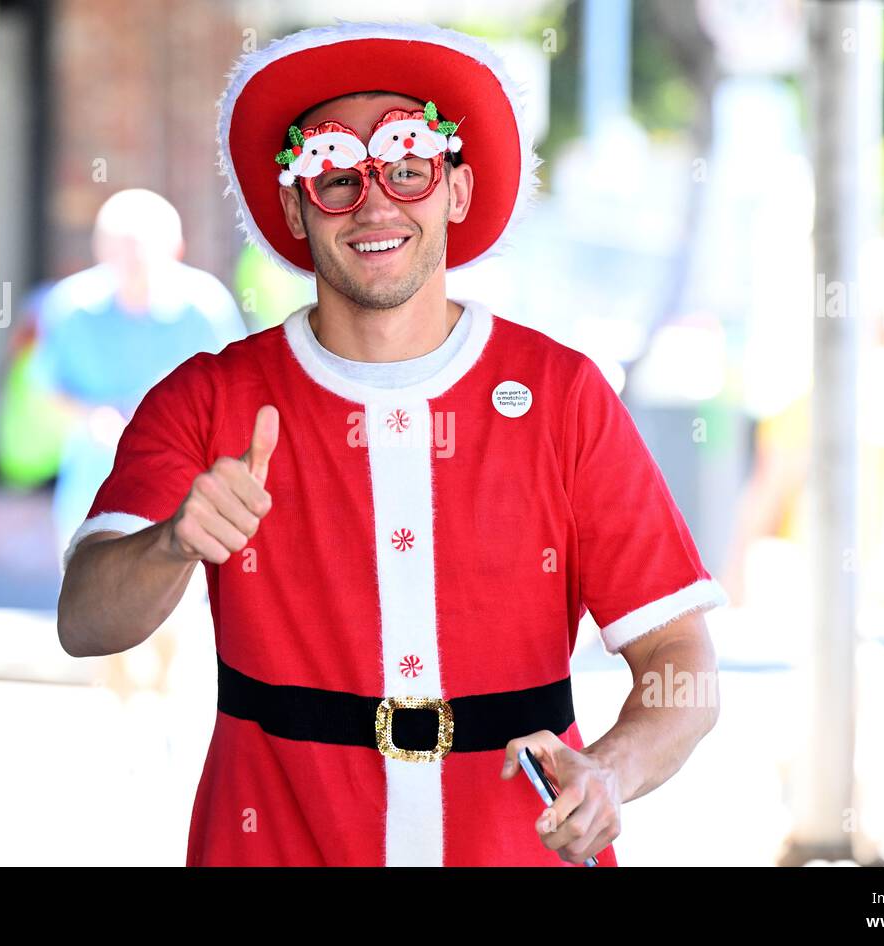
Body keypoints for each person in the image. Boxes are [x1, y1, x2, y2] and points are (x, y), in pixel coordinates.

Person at [57, 22, 729, 867]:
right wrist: (171, 542)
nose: (375, 204)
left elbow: (684, 663)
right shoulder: (207, 397)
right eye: (336, 176)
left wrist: (609, 772)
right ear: (296, 205)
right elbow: (84, 620)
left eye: (408, 168)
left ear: (456, 189)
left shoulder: (562, 396)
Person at [30, 188, 248, 563]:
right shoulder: (69, 307)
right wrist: (92, 416)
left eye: (143, 251)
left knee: (170, 613)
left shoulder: (205, 309)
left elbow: (237, 395)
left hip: (182, 492)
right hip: (91, 490)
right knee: (93, 609)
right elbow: (47, 387)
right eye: (119, 250)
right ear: (101, 250)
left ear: (175, 248)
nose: (131, 263)